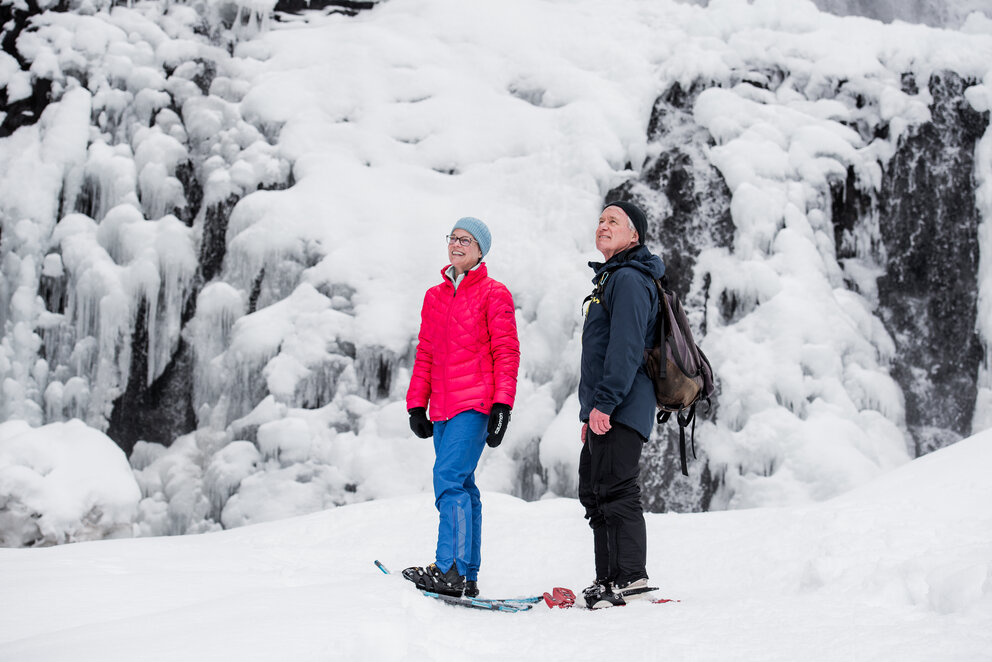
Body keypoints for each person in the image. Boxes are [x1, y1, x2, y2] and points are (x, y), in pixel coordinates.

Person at [402, 217, 520, 598]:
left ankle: (449, 568)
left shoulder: (493, 293)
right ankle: (466, 574)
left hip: (475, 405)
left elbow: (506, 352)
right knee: (464, 487)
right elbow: (426, 353)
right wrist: (416, 404)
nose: (456, 244)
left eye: (465, 240)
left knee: (448, 479)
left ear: (480, 250)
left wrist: (503, 405)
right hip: (442, 410)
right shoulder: (434, 296)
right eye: (453, 238)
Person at [578, 200, 665, 609]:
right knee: (596, 491)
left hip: (623, 404)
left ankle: (631, 577)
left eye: (613, 221)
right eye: (600, 220)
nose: (602, 225)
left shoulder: (629, 278)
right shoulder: (611, 279)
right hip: (608, 406)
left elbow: (626, 348)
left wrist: (606, 404)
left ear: (635, 236)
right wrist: (590, 411)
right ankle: (608, 578)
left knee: (616, 490)